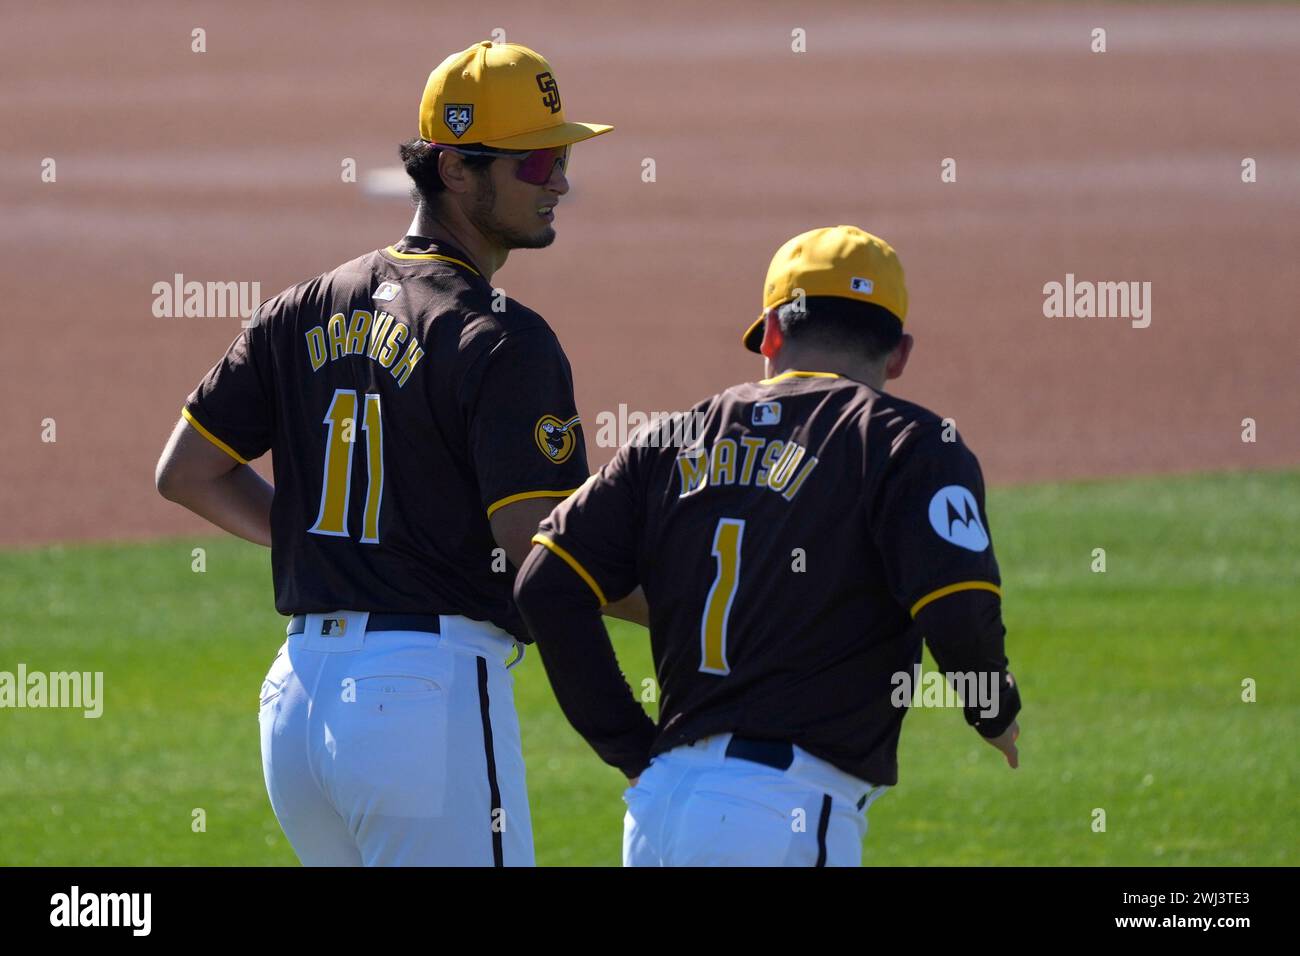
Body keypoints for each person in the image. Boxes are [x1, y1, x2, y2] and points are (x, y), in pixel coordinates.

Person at [154, 40, 616, 866]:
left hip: (296, 702)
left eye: (562, 156)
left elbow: (186, 471)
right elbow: (550, 560)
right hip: (420, 702)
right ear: (454, 168)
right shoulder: (501, 336)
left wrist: (324, 543)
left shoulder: (301, 308)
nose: (560, 182)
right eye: (537, 161)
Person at [514, 225, 1022, 867]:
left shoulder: (670, 439)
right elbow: (955, 608)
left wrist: (631, 748)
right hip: (783, 812)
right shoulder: (907, 443)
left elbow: (544, 583)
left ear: (773, 334)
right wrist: (993, 712)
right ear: (899, 353)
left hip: (659, 812)